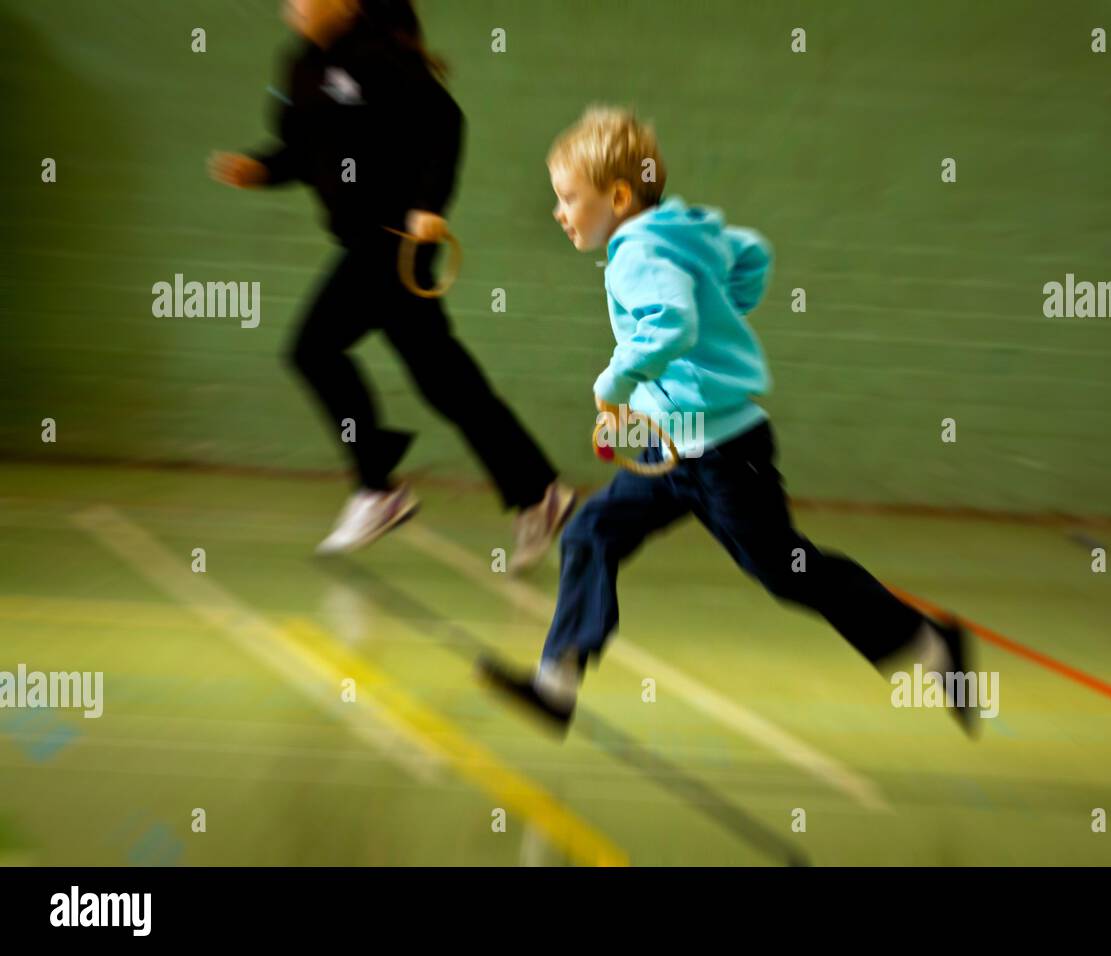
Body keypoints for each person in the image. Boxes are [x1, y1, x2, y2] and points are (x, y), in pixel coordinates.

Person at [479, 106, 977, 734]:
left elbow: (672, 323)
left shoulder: (636, 253)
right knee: (589, 534)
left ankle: (931, 644)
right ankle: (557, 683)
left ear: (619, 196)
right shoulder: (683, 229)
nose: (559, 212)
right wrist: (727, 312)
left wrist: (613, 384)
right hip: (670, 450)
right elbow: (753, 253)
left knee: (785, 570)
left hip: (721, 453)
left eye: (569, 198)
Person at [208, 0, 573, 565]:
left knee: (314, 350)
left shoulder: (380, 57)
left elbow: (444, 123)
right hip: (361, 241)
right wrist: (262, 170)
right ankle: (539, 491)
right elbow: (305, 153)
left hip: (393, 243)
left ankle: (378, 486)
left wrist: (428, 205)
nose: (293, 6)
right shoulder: (302, 65)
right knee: (444, 380)